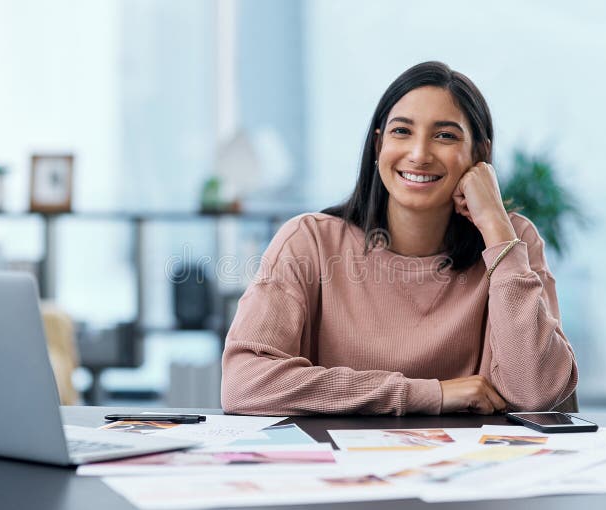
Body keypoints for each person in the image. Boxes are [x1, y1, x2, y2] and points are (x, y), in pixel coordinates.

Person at [221, 61, 578, 416]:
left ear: (480, 155)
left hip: (474, 467)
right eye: (402, 131)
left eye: (445, 135)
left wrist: (497, 228)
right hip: (341, 466)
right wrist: (427, 394)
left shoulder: (513, 240)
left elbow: (536, 391)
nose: (420, 154)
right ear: (379, 146)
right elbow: (243, 383)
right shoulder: (309, 242)